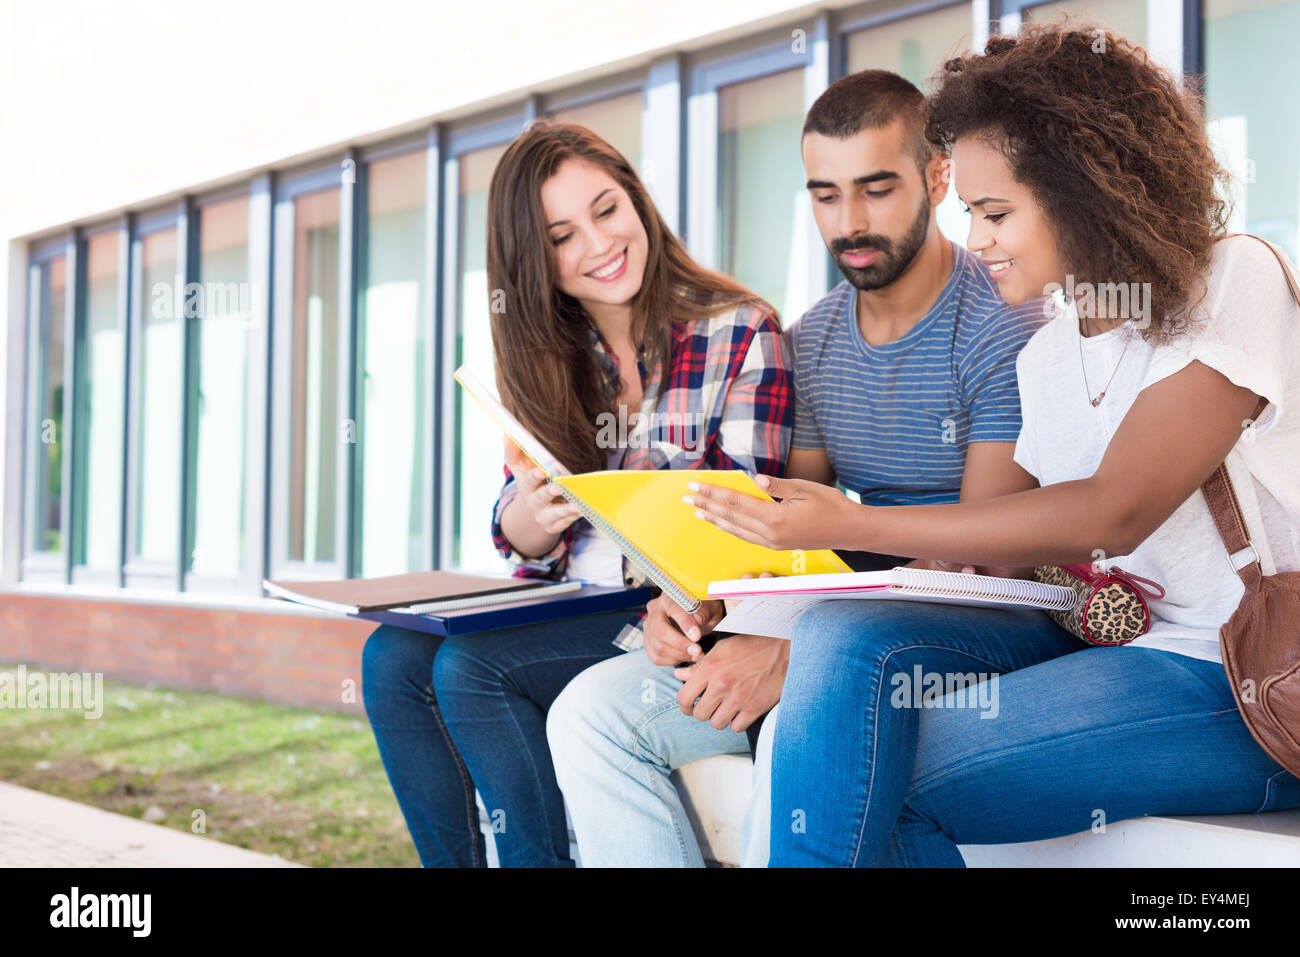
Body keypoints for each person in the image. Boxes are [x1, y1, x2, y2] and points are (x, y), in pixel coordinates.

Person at [685, 23, 1300, 866]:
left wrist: (856, 522)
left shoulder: (1236, 280)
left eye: (995, 212)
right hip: (1107, 640)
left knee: (876, 779)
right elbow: (1006, 551)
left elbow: (1112, 510)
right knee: (841, 635)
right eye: (969, 212)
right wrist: (751, 606)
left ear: (1085, 190)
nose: (976, 240)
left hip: (1242, 680)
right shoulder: (1047, 352)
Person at [546, 70, 1046, 867]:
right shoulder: (812, 339)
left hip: (989, 615)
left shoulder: (1003, 321)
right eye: (825, 195)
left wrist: (794, 654)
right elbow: (788, 540)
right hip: (856, 609)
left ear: (938, 175)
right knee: (588, 713)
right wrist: (707, 608)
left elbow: (983, 557)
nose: (849, 222)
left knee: (804, 715)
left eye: (877, 189)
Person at [361, 120, 795, 867]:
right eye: (561, 235)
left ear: (636, 199)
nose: (597, 244)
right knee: (390, 662)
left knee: (472, 671)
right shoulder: (540, 352)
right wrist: (533, 511)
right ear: (535, 260)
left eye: (606, 209)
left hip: (665, 612)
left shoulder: (740, 330)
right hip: (564, 599)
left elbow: (748, 527)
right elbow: (516, 536)